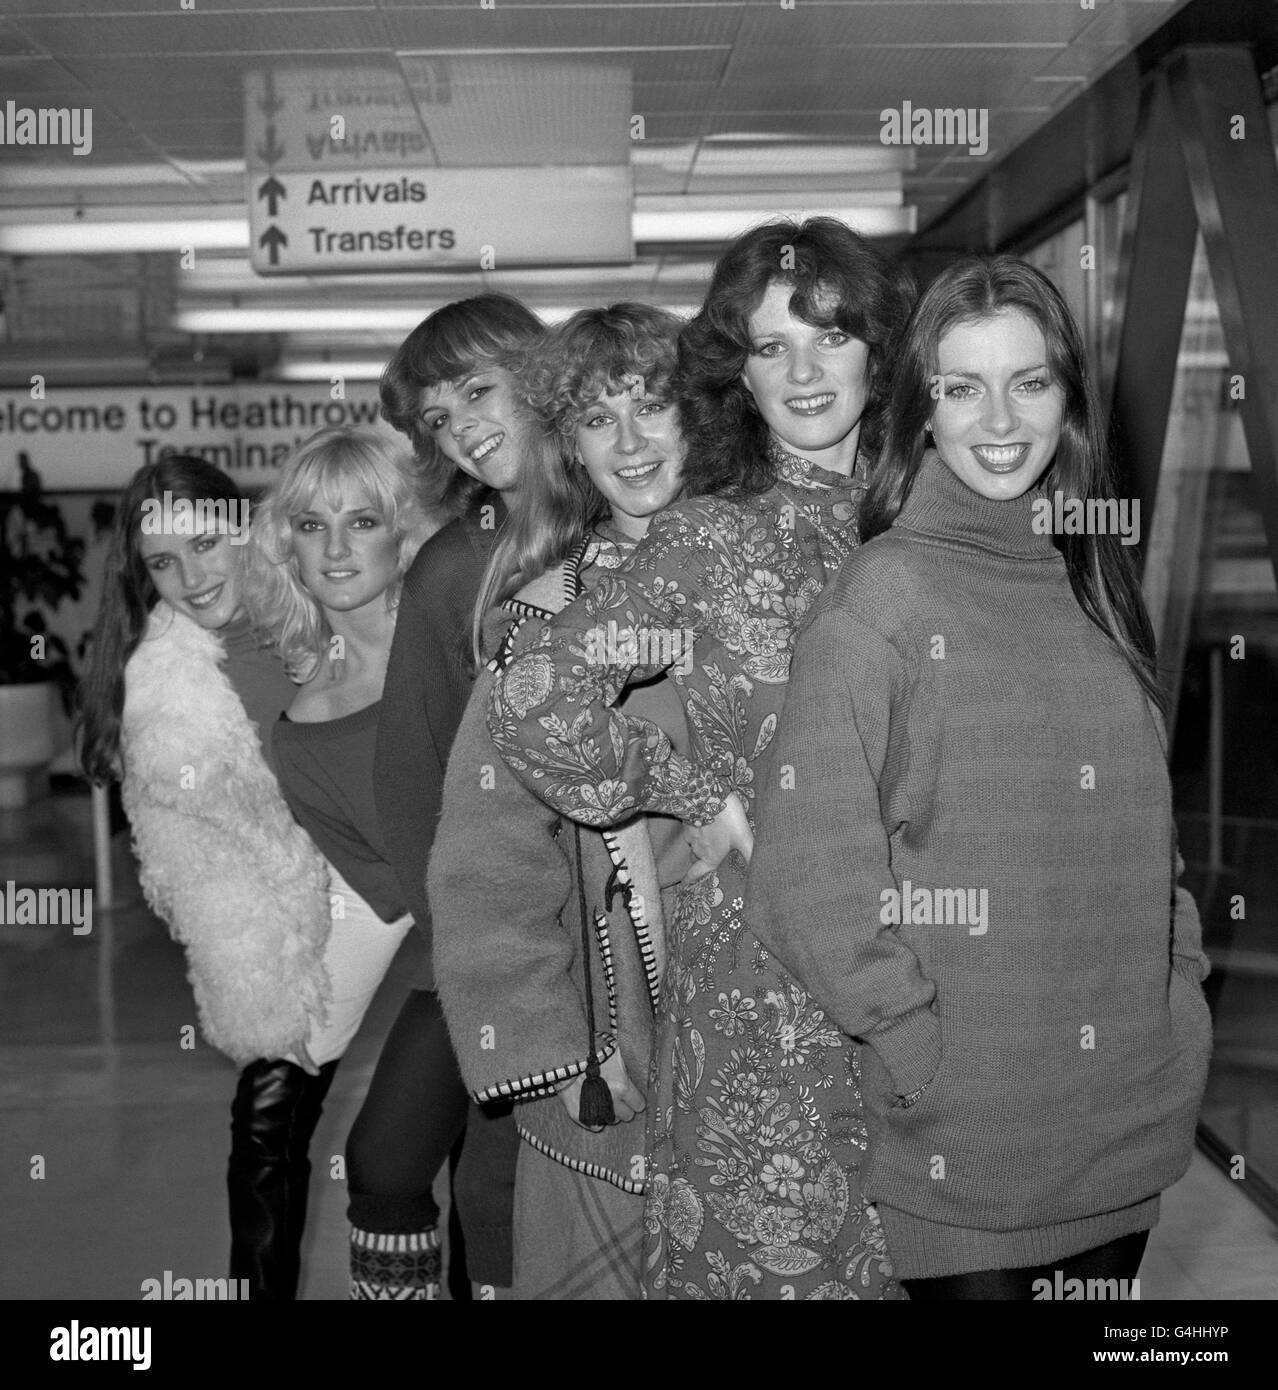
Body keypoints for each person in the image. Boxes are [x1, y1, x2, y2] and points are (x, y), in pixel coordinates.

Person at [746, 254, 1213, 1299]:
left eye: (1030, 381)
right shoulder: (885, 594)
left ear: (1068, 401)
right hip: (964, 1142)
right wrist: (917, 1052)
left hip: (1126, 1119)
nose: (1000, 418)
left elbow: (1145, 833)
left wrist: (1179, 997)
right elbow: (805, 874)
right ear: (921, 411)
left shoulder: (1090, 576)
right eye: (962, 387)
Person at [487, 218, 915, 1298]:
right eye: (772, 346)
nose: (806, 370)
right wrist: (697, 791)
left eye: (829, 334)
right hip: (768, 986)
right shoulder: (712, 537)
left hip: (938, 958)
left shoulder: (930, 523)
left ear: (879, 348)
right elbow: (538, 701)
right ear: (739, 372)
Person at [431, 304, 692, 1299]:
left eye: (652, 405)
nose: (629, 442)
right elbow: (486, 857)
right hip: (606, 1071)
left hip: (773, 1048)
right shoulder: (547, 618)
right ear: (570, 448)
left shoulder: (787, 591)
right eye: (596, 419)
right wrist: (538, 1048)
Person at [77, 455, 333, 1301]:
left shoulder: (330, 604)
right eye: (161, 561)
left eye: (205, 544)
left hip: (416, 888)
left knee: (429, 1141)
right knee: (268, 1115)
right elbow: (210, 865)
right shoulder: (164, 690)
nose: (190, 578)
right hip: (297, 913)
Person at [344, 294, 543, 1298]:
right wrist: (470, 933)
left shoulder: (647, 523)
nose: (459, 422)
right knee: (440, 1176)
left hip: (654, 939)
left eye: (476, 387)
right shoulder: (452, 568)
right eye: (436, 413)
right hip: (499, 940)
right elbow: (411, 777)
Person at [245, 427, 437, 1281]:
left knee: (475, 1187)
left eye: (361, 521)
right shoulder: (304, 727)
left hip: (557, 935)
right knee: (384, 1169)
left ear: (403, 531)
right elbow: (381, 899)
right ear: (286, 541)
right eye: (312, 525)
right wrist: (285, 1050)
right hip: (457, 957)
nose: (334, 547)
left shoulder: (463, 641)